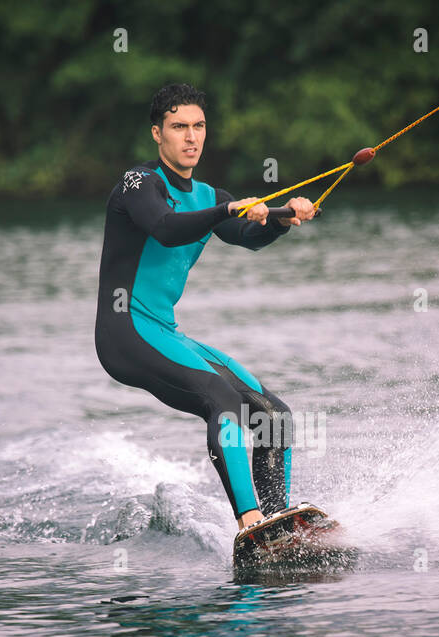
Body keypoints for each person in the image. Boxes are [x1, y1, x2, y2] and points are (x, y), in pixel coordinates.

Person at [95, 82, 316, 533]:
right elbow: (165, 227)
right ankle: (250, 522)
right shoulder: (138, 184)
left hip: (164, 330)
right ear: (158, 134)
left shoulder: (209, 196)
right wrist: (230, 209)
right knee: (224, 399)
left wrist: (283, 220)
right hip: (124, 333)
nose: (191, 137)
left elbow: (246, 235)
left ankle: (277, 523)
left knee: (274, 417)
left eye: (198, 127)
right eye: (179, 127)